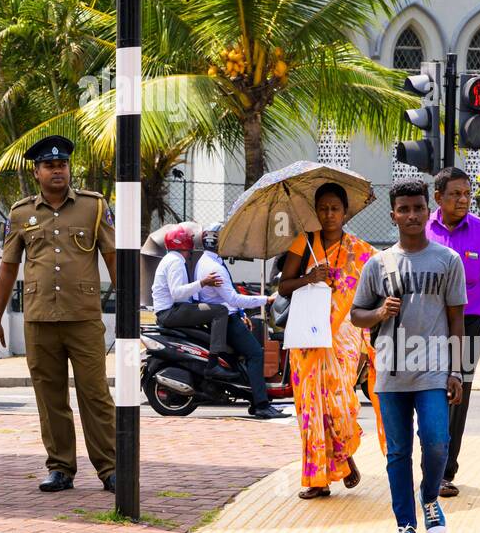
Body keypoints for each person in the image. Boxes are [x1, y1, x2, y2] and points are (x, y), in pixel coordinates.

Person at [0, 136, 117, 494]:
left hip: (84, 318)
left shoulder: (93, 207)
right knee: (50, 399)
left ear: (69, 169)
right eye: (49, 165)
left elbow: (113, 256)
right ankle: (60, 468)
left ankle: (110, 468)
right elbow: (8, 267)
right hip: (40, 320)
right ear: (37, 171)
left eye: (62, 165)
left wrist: (127, 309)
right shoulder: (21, 213)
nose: (57, 170)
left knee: (95, 396)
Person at [351, 179, 466, 533]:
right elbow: (357, 316)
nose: (412, 215)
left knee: (437, 442)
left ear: (427, 211)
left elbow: (456, 318)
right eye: (404, 209)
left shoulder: (447, 261)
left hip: (433, 368)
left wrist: (458, 371)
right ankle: (405, 527)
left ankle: (429, 495)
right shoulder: (378, 264)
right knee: (397, 453)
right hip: (389, 371)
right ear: (393, 215)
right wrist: (379, 311)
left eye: (418, 208)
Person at [278, 182, 379, 497]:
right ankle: (317, 480)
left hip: (344, 339)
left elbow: (378, 285)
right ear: (316, 212)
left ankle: (344, 454)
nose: (329, 214)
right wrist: (311, 278)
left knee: (340, 403)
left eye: (335, 208)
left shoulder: (362, 251)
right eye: (323, 208)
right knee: (311, 406)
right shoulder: (304, 242)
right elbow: (283, 287)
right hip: (308, 338)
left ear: (345, 212)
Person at [428, 166, 480, 497]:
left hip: (467, 326)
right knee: (427, 393)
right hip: (427, 326)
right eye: (455, 194)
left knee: (456, 396)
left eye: (467, 194)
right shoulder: (422, 229)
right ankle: (428, 462)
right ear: (438, 197)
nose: (463, 200)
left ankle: (445, 471)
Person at [194, 225, 290, 420]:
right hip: (227, 320)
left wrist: (241, 313)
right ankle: (261, 405)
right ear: (216, 241)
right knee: (255, 354)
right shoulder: (214, 267)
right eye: (227, 239)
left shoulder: (207, 261)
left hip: (229, 315)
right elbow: (233, 299)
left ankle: (256, 399)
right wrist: (266, 300)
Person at [152, 226, 232, 370]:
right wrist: (203, 282)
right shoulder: (175, 262)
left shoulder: (171, 259)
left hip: (171, 310)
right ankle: (213, 362)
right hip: (170, 312)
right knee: (220, 311)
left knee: (206, 310)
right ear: (184, 243)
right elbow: (177, 293)